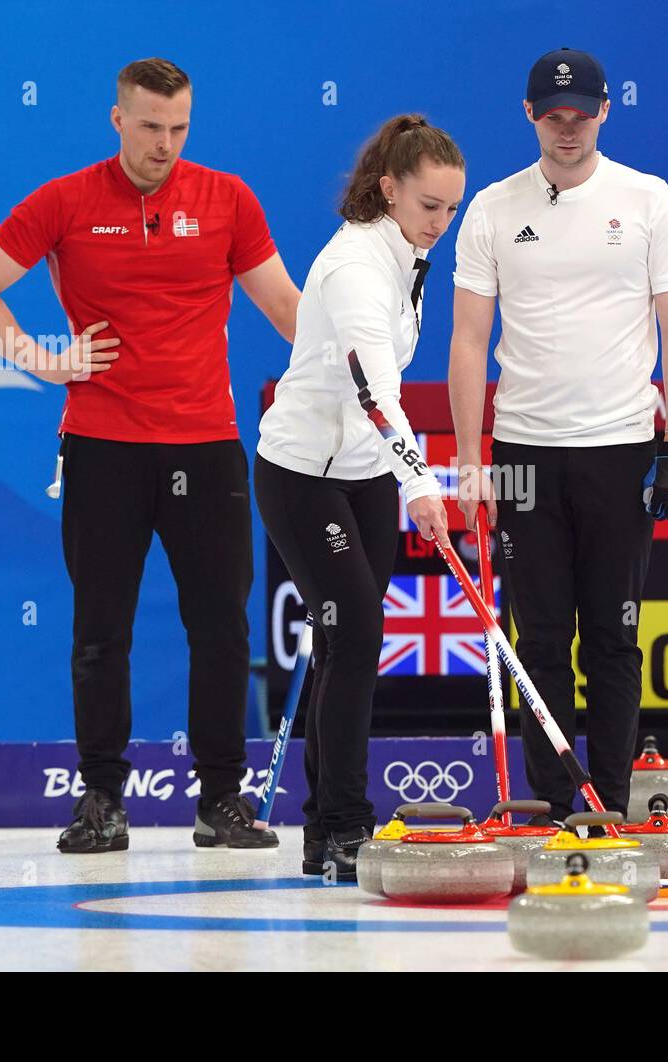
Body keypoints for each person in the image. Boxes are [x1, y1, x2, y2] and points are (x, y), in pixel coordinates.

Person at [0, 58, 302, 853]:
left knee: (221, 630)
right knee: (101, 633)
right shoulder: (65, 199)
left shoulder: (229, 198)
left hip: (207, 445)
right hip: (104, 446)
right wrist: (42, 360)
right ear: (117, 120)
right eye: (149, 127)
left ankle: (222, 801)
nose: (164, 144)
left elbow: (285, 306)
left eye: (179, 128)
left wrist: (352, 369)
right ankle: (102, 801)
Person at [449, 48, 668, 824]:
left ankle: (610, 804)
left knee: (614, 639)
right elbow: (468, 340)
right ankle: (554, 804)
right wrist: (469, 459)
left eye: (582, 115)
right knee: (540, 639)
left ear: (605, 112)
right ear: (530, 115)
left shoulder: (649, 199)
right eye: (554, 116)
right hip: (524, 451)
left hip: (622, 448)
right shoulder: (492, 207)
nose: (569, 129)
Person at [255, 115, 462, 878]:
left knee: (350, 645)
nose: (440, 223)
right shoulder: (354, 268)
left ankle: (324, 832)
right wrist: (422, 482)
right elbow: (377, 391)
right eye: (429, 205)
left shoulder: (408, 257)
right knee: (359, 632)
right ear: (388, 189)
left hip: (365, 471)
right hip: (303, 475)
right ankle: (345, 826)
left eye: (451, 209)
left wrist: (395, 473)